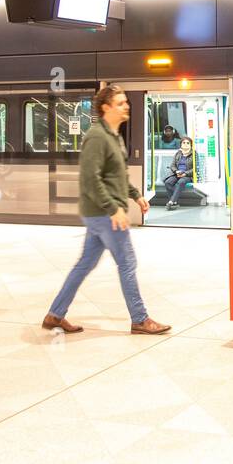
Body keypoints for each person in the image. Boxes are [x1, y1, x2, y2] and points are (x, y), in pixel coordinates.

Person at [43, 84, 170, 336]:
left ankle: (55, 314)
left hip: (101, 212)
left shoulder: (113, 135)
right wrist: (113, 209)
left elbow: (116, 175)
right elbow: (91, 179)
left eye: (126, 102)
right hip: (102, 213)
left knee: (85, 264)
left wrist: (135, 195)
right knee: (127, 262)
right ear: (106, 108)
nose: (126, 106)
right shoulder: (97, 137)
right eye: (121, 103)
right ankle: (140, 319)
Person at [163, 136, 195, 210]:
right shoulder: (178, 153)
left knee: (181, 182)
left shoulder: (194, 154)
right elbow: (172, 165)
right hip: (177, 173)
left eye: (188, 143)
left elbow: (195, 169)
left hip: (187, 175)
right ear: (181, 144)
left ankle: (171, 201)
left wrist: (185, 173)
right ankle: (175, 202)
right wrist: (176, 171)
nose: (186, 144)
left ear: (191, 145)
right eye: (184, 143)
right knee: (168, 182)